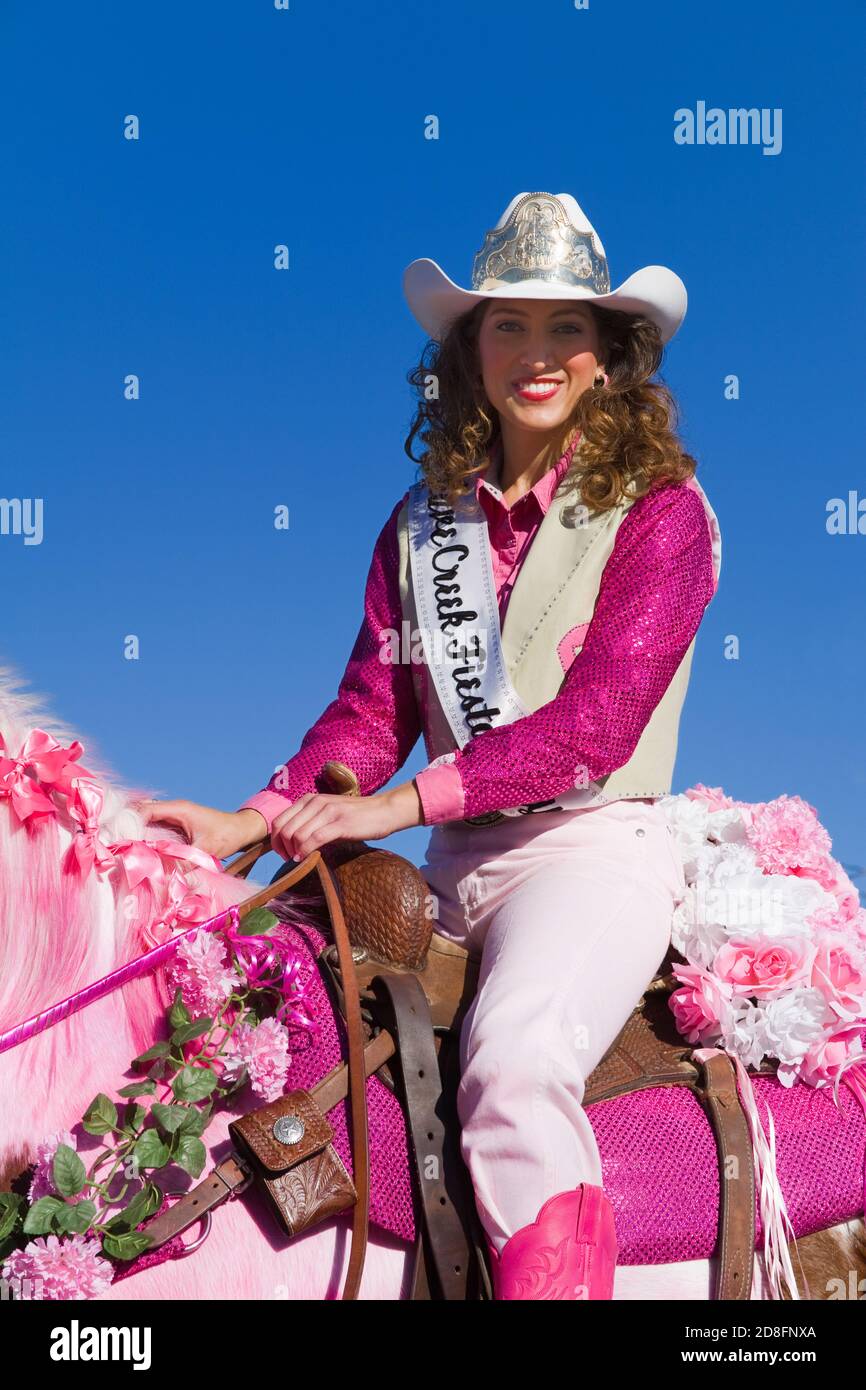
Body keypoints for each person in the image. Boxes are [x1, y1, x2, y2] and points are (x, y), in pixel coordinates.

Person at [142, 191, 722, 1300]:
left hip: (591, 852)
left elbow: (598, 724)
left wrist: (395, 807)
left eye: (565, 328)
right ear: (470, 350)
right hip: (455, 865)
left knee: (511, 1067)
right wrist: (252, 817)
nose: (536, 352)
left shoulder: (662, 509)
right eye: (507, 324)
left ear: (607, 356)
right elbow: (368, 711)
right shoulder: (420, 523)